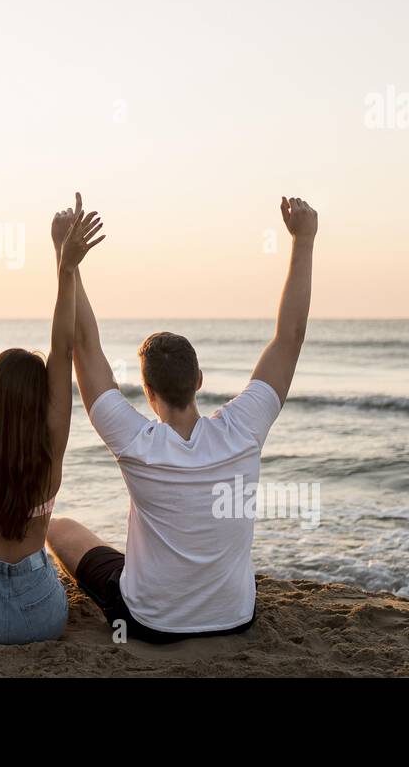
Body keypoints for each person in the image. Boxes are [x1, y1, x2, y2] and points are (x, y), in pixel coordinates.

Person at [47, 196, 318, 643]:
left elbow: (84, 346)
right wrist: (303, 240)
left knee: (60, 529)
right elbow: (290, 338)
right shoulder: (244, 429)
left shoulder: (135, 440)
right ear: (199, 380)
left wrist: (66, 260)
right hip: (235, 617)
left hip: (150, 623)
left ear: (148, 394)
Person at [0, 199, 104, 644]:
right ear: (42, 402)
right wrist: (65, 269)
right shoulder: (51, 445)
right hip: (42, 616)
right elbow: (63, 351)